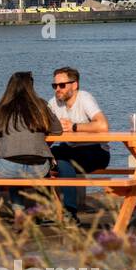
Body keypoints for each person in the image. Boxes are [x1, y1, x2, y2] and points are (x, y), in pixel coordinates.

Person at [0, 72, 62, 211]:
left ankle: (19, 214)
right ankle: (43, 210)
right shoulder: (41, 105)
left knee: (13, 169)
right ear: (31, 87)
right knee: (43, 172)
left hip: (6, 169)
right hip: (38, 168)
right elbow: (58, 130)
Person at [47, 67, 111, 214]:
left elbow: (103, 125)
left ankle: (70, 210)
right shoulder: (53, 103)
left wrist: (74, 127)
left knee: (63, 161)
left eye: (62, 85)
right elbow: (46, 130)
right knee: (41, 159)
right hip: (69, 149)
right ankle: (41, 211)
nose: (58, 89)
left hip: (95, 151)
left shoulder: (84, 98)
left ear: (74, 85)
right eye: (54, 86)